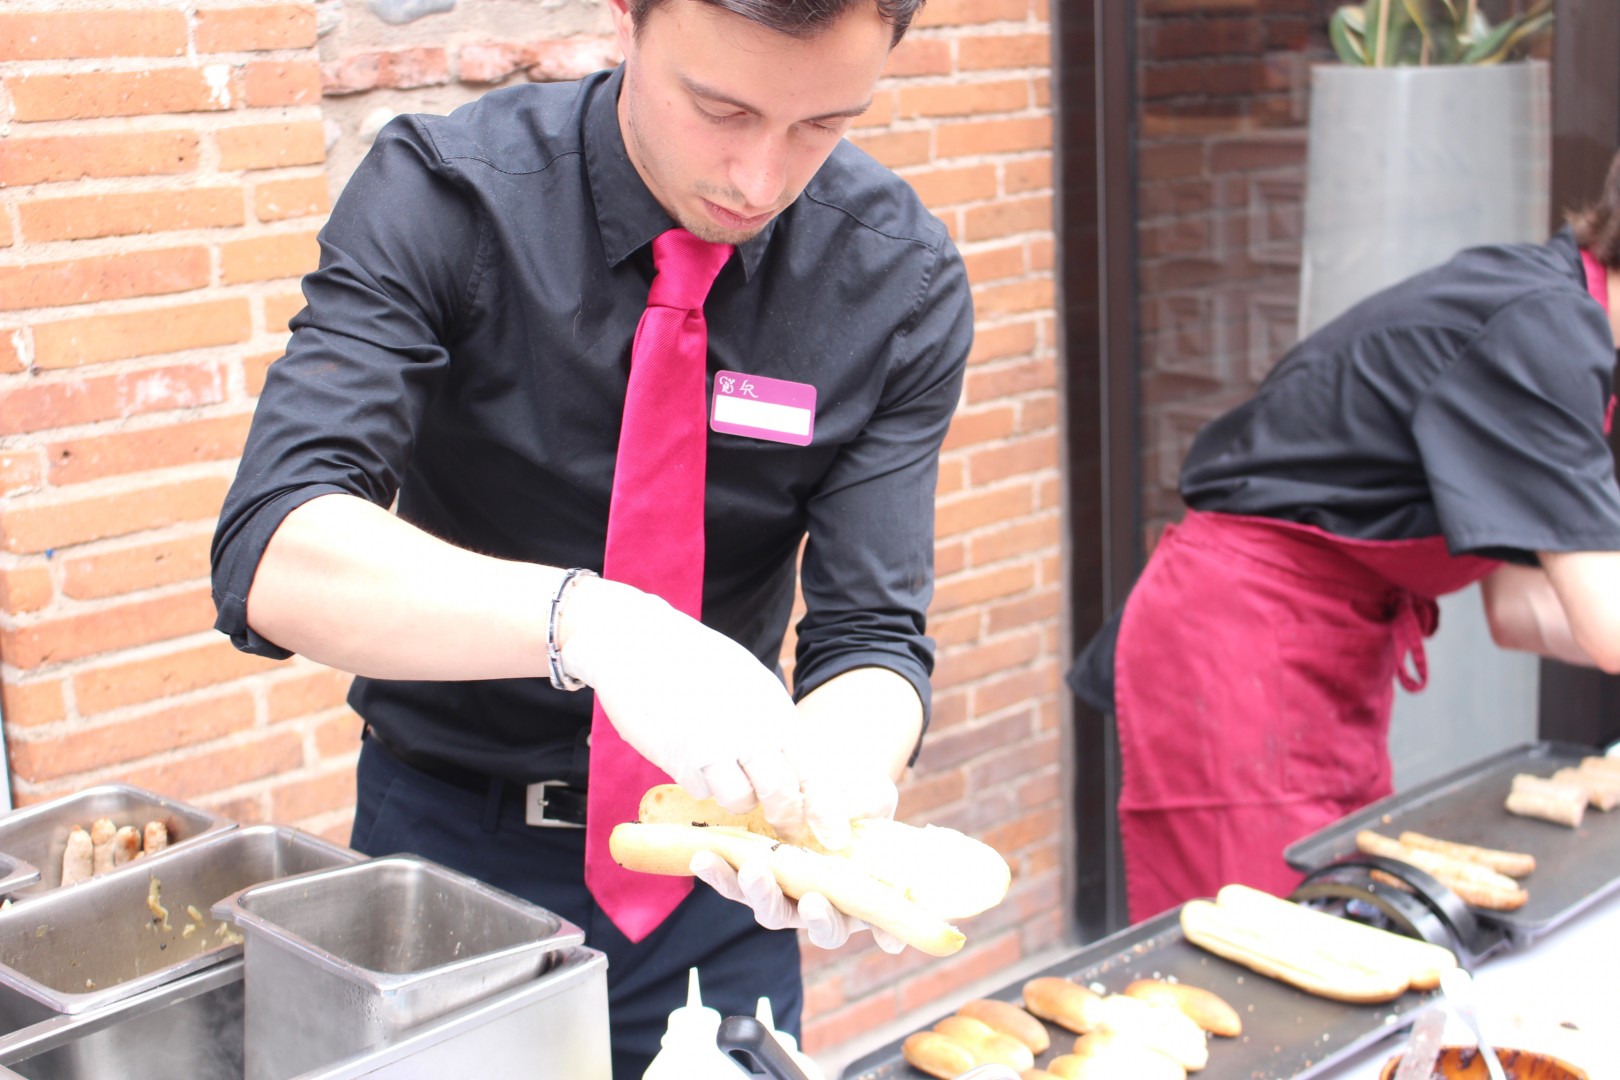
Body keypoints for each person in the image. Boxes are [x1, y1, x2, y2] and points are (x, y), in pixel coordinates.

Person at [208, 0, 973, 1070]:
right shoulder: (450, 196)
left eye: (820, 125)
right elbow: (274, 549)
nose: (757, 180)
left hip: (719, 874)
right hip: (451, 857)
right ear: (627, 15)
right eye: (721, 109)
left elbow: (872, 637)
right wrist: (595, 626)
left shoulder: (895, 280)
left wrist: (826, 803)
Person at [1069, 151, 1620, 925]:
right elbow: (1610, 628)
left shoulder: (1552, 320)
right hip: (1242, 643)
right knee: (1261, 955)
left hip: (1329, 653)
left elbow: (1523, 609)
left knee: (1344, 925)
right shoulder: (1545, 329)